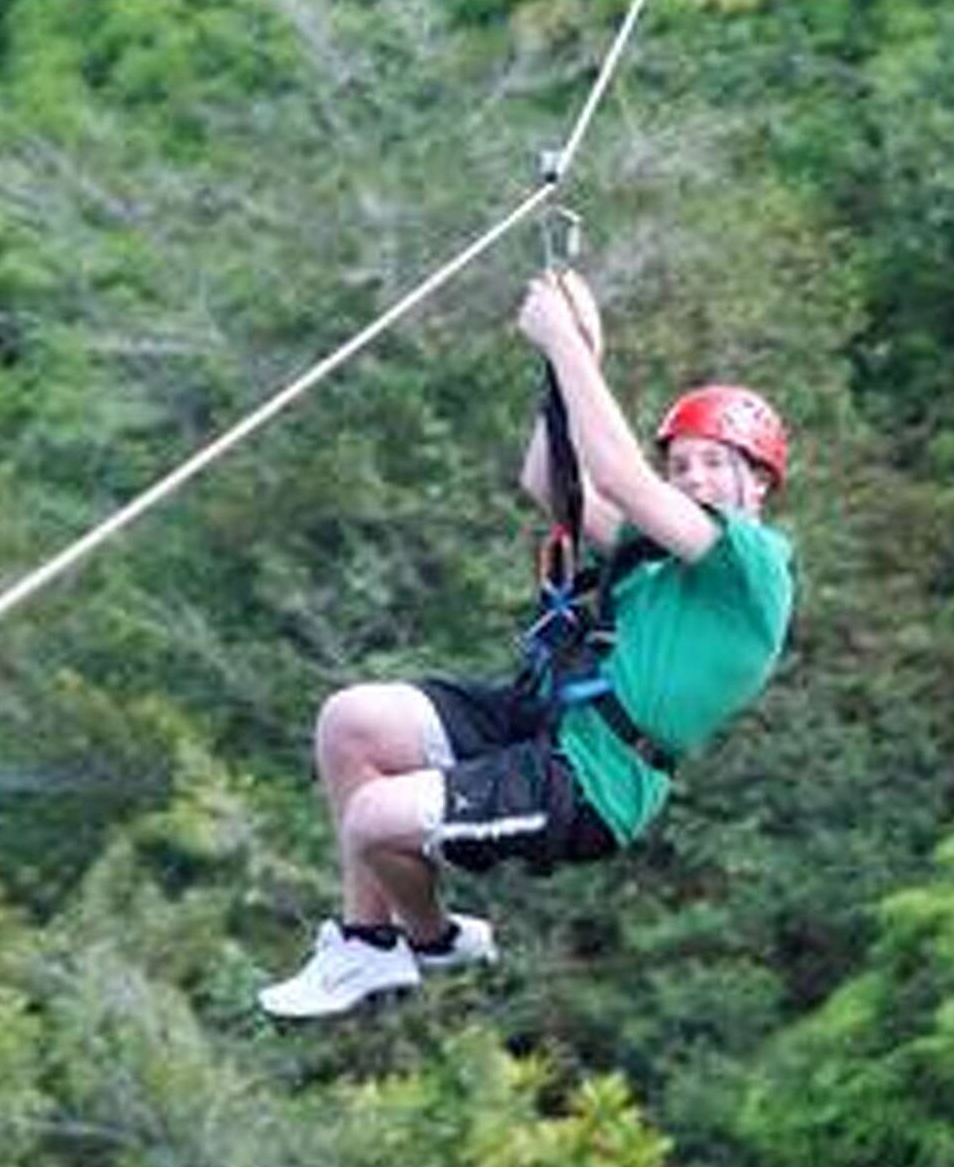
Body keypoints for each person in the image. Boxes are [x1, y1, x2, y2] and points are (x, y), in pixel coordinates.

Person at [257, 265, 795, 1018]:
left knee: (373, 819)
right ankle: (365, 944)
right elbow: (551, 482)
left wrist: (566, 343)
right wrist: (571, 360)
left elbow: (620, 475)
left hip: (591, 787)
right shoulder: (654, 562)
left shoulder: (752, 566)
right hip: (542, 721)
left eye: (716, 464)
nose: (695, 478)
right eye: (683, 465)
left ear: (759, 485)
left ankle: (431, 936)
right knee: (350, 721)